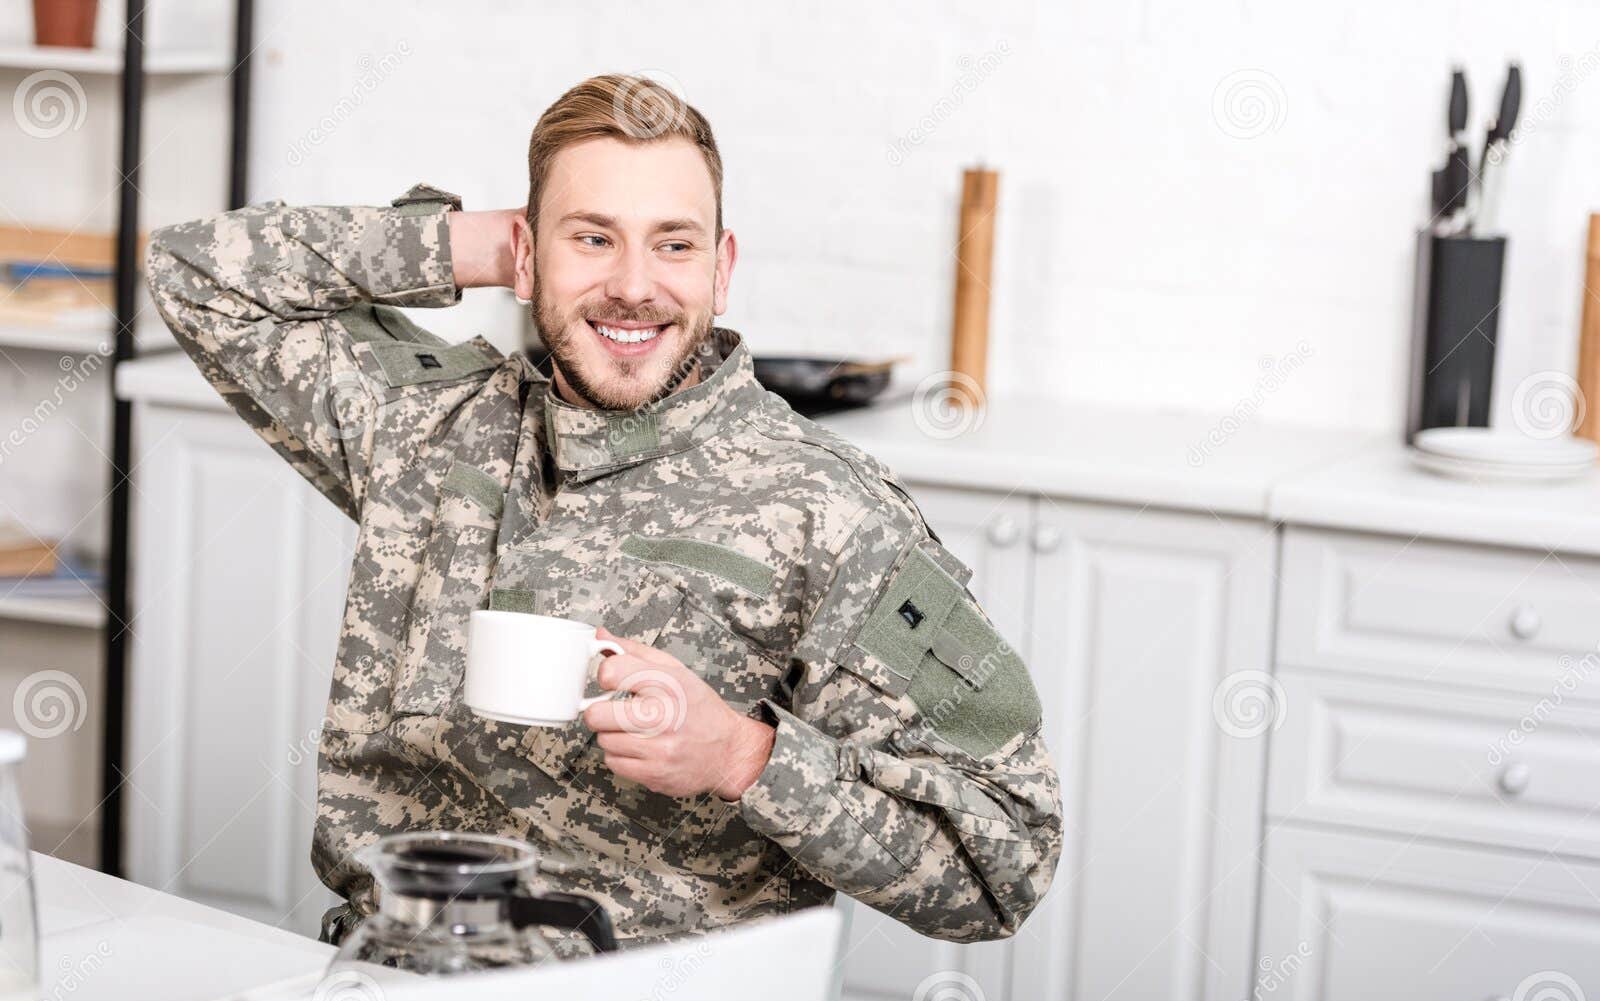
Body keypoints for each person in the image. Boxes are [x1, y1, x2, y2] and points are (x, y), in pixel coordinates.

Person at [145, 73, 1061, 947]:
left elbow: (1003, 863)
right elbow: (195, 272)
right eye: (593, 239)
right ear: (528, 257)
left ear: (721, 267)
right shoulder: (429, 429)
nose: (633, 284)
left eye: (674, 243)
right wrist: (474, 247)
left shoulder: (827, 510)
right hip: (397, 986)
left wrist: (745, 759)